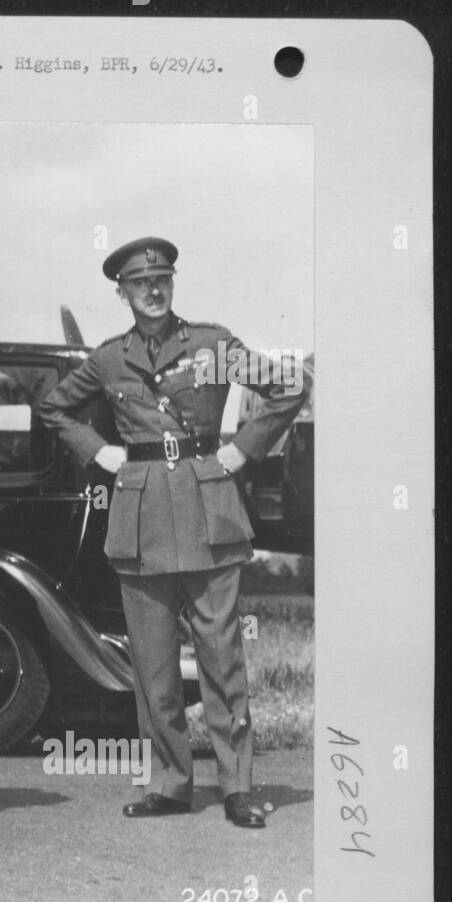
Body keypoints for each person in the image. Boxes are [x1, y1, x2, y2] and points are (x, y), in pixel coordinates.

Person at [40, 238, 309, 828]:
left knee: (222, 659)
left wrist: (242, 450)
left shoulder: (212, 345)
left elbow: (291, 385)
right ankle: (169, 784)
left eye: (162, 279)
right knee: (153, 665)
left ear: (173, 283)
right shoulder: (110, 359)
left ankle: (236, 786)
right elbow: (54, 408)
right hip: (142, 521)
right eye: (141, 284)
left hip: (209, 511)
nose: (153, 290)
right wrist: (102, 453)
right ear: (123, 292)